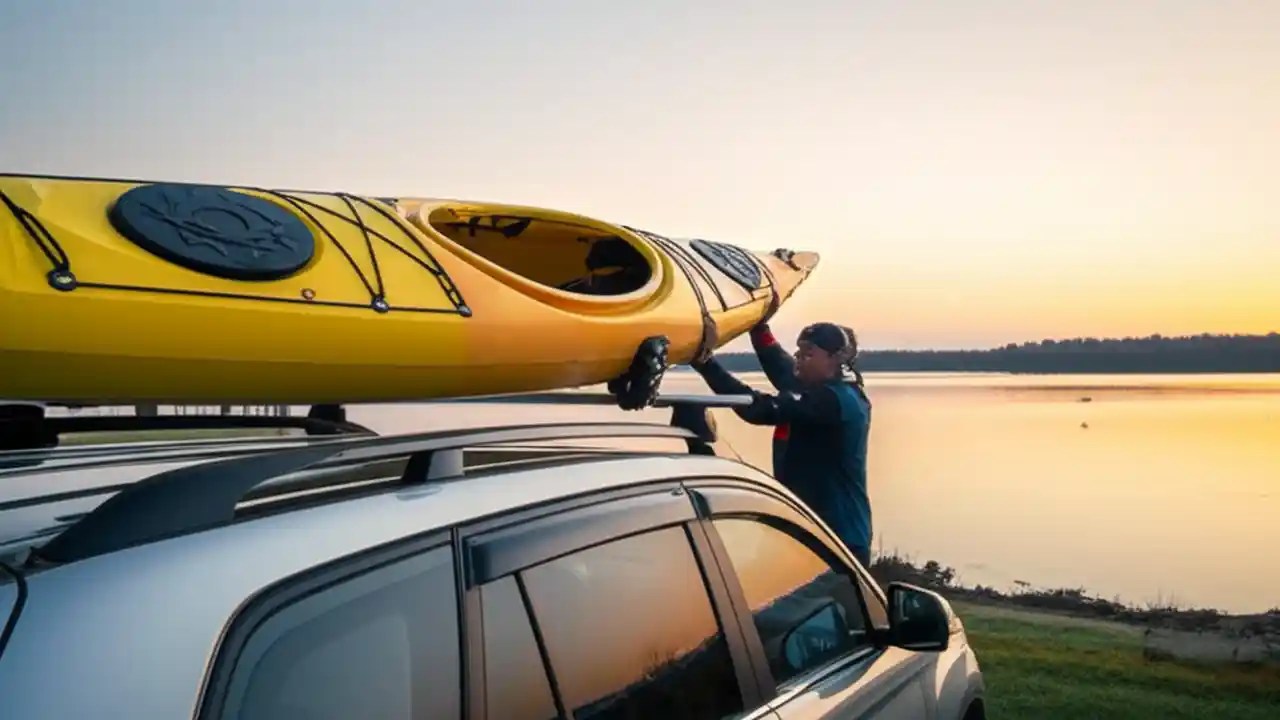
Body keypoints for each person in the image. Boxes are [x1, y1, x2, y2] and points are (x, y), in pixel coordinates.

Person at [690, 321, 874, 567]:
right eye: (798, 351)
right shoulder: (818, 387)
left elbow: (760, 410)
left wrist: (706, 363)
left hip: (838, 541)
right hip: (805, 530)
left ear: (834, 359)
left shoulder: (837, 402)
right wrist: (757, 327)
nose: (798, 357)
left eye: (808, 354)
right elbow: (780, 367)